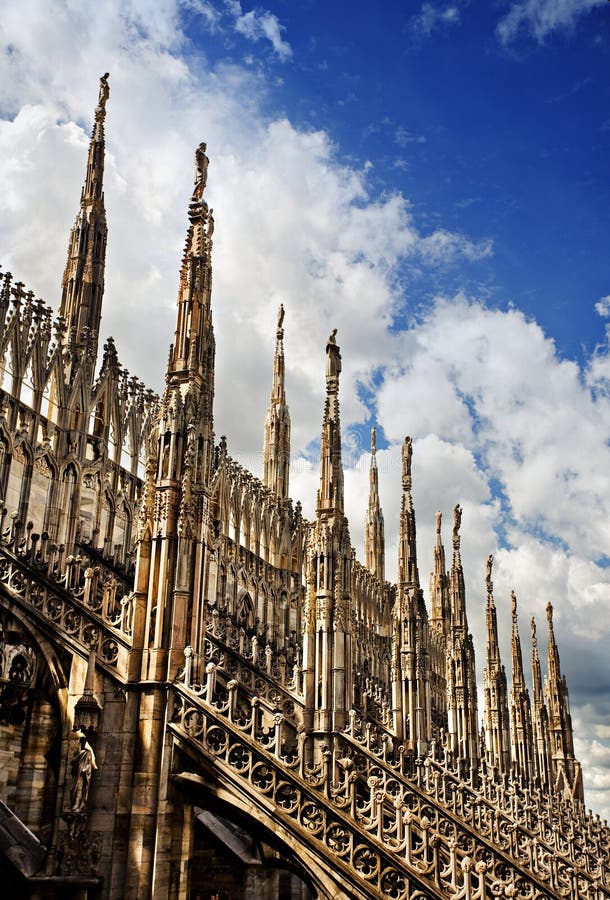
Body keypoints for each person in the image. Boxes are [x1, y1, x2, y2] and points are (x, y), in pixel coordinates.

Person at [70, 734, 97, 811]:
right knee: (75, 788)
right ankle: (74, 804)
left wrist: (85, 769)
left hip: (83, 774)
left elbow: (89, 764)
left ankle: (78, 805)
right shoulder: (77, 753)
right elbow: (72, 762)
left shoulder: (87, 753)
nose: (83, 743)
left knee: (80, 789)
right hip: (77, 774)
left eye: (84, 742)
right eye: (82, 742)